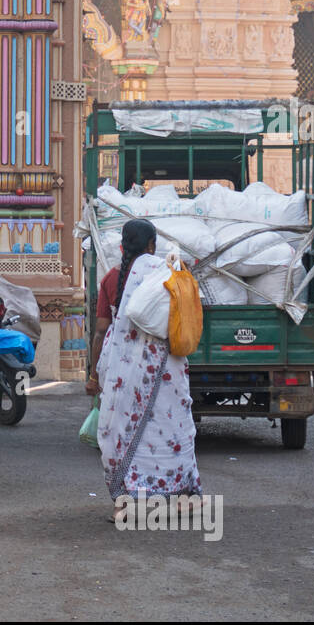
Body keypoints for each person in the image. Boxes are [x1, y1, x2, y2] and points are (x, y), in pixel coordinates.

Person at [96, 220, 201, 521]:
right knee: (172, 429)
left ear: (122, 246)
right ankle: (181, 497)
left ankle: (124, 502)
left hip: (125, 375)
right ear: (152, 245)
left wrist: (96, 374)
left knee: (122, 433)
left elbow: (107, 330)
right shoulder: (163, 270)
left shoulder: (116, 277)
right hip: (166, 370)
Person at [84, 261, 120, 396]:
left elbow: (101, 331)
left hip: (116, 361)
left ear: (122, 248)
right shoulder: (161, 272)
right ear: (151, 246)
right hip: (157, 363)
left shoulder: (112, 277)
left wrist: (93, 378)